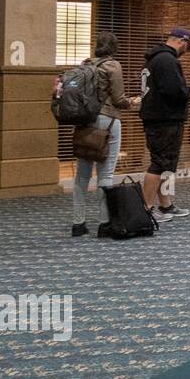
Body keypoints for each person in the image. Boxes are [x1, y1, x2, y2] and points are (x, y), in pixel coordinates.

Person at [70, 32, 137, 236]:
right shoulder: (113, 66)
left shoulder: (85, 64)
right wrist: (132, 103)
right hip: (107, 120)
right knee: (105, 174)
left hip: (84, 121)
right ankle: (104, 222)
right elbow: (118, 99)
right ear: (115, 48)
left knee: (82, 175)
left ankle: (78, 223)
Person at [139, 26, 190, 224]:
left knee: (168, 165)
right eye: (187, 47)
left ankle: (166, 205)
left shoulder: (155, 59)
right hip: (164, 119)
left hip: (162, 118)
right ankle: (146, 209)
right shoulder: (167, 60)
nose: (186, 52)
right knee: (160, 164)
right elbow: (174, 91)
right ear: (181, 41)